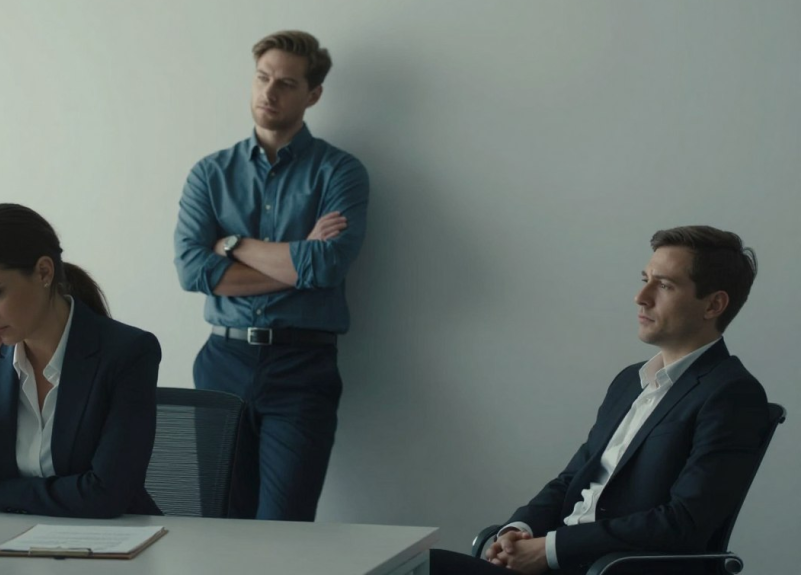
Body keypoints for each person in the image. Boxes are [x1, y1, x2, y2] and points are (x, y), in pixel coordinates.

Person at [431, 226, 768, 575]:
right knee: (412, 564)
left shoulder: (731, 394)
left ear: (713, 304)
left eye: (665, 285)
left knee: (414, 567)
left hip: (604, 568)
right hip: (560, 562)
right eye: (645, 279)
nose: (641, 296)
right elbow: (573, 477)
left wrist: (550, 550)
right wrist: (520, 530)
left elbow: (684, 521)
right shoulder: (629, 381)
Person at [174, 30, 369, 521]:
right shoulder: (210, 173)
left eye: (285, 83)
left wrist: (233, 244)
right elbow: (193, 270)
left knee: (285, 526)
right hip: (222, 360)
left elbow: (328, 265)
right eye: (262, 78)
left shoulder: (339, 172)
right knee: (218, 520)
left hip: (302, 366)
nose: (269, 92)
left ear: (313, 94)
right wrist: (299, 262)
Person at [0, 203, 162, 518]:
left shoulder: (127, 353)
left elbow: (106, 494)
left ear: (44, 272)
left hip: (114, 550)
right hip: (14, 549)